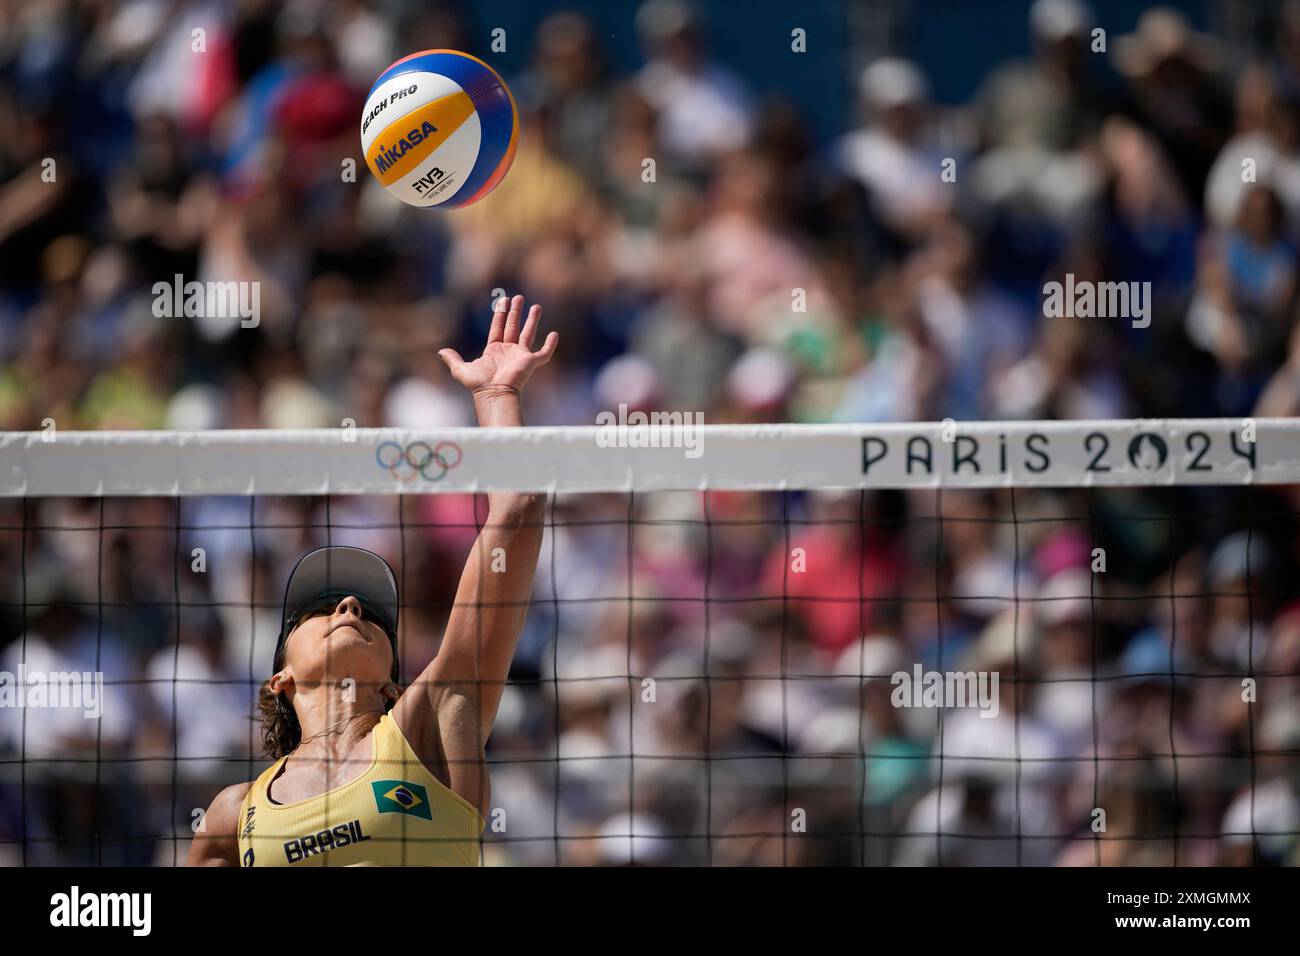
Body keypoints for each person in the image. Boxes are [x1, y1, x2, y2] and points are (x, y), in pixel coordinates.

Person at [187, 294, 558, 866]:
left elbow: (519, 512)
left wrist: (495, 396)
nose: (352, 606)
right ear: (279, 678)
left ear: (392, 685)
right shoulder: (234, 814)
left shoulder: (429, 725)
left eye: (372, 615)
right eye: (321, 608)